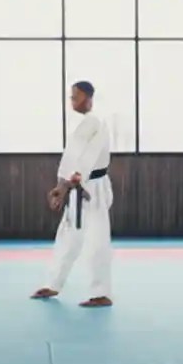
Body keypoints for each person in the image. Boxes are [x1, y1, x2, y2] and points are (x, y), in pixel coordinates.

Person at [30, 81, 113, 307]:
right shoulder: (81, 124)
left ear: (87, 97)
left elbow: (88, 157)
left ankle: (101, 292)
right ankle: (53, 283)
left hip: (92, 188)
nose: (71, 101)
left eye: (75, 97)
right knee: (67, 237)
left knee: (96, 240)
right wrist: (61, 186)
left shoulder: (97, 122)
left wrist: (74, 179)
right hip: (76, 187)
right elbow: (70, 157)